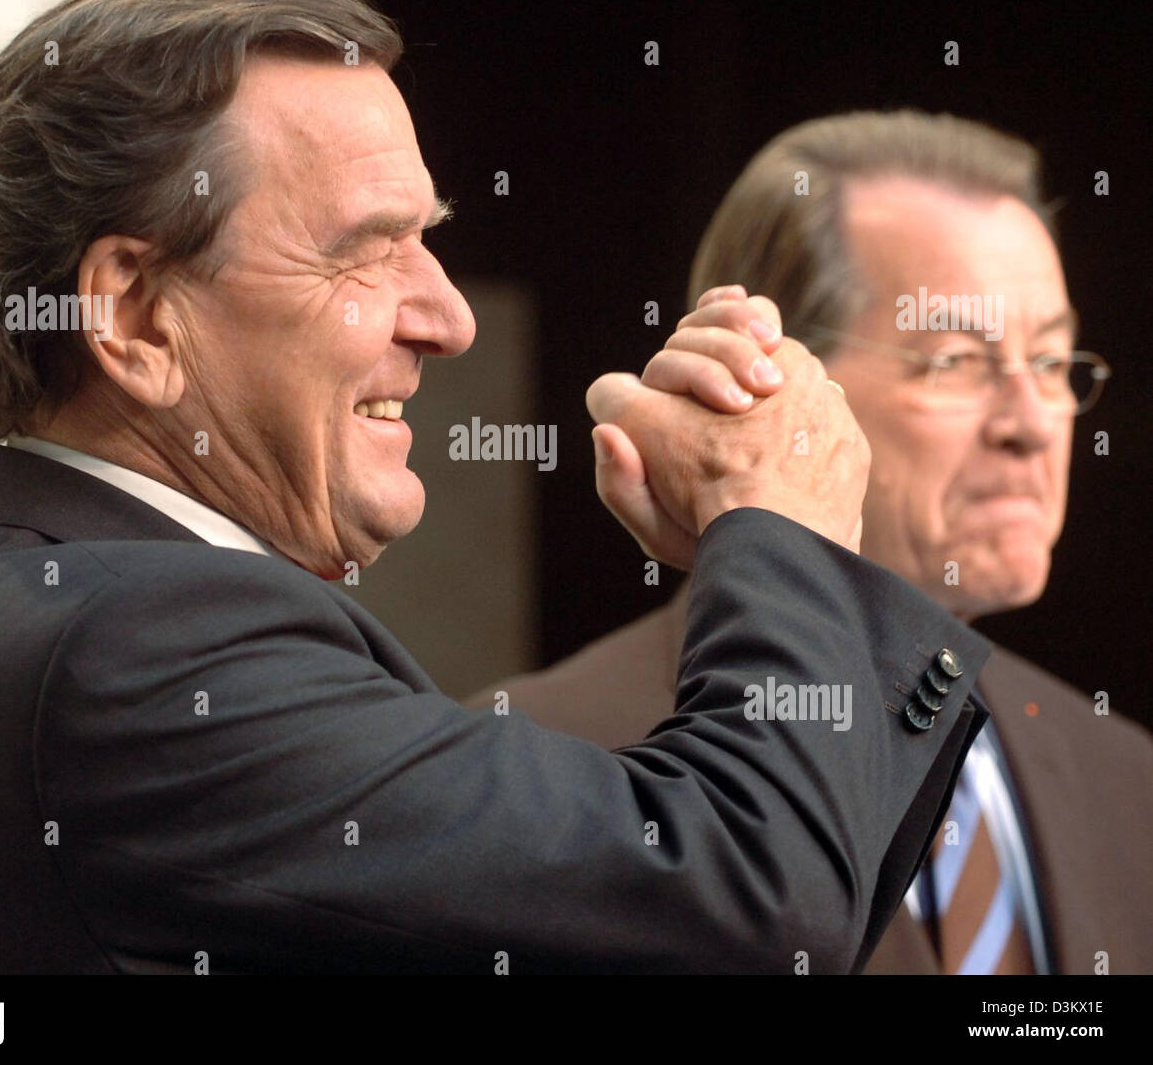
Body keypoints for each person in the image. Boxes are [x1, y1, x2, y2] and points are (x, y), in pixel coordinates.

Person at [0, 0, 988, 975]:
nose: (447, 318)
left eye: (430, 237)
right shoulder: (138, 645)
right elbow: (741, 904)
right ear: (136, 316)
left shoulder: (61, 598)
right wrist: (777, 530)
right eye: (368, 247)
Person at [477, 110, 1153, 974]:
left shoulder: (1124, 775)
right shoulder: (548, 766)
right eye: (956, 362)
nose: (1031, 424)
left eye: (1054, 363)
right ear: (771, 385)